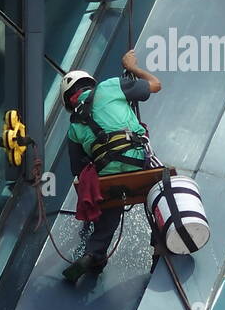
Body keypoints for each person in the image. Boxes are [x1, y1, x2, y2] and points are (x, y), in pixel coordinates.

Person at [61, 50, 162, 280]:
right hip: (138, 160)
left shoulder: (73, 126)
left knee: (109, 209)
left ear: (69, 99)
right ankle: (159, 247)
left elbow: (77, 169)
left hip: (107, 175)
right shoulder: (109, 86)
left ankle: (93, 254)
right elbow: (155, 85)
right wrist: (132, 66)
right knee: (158, 194)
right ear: (89, 83)